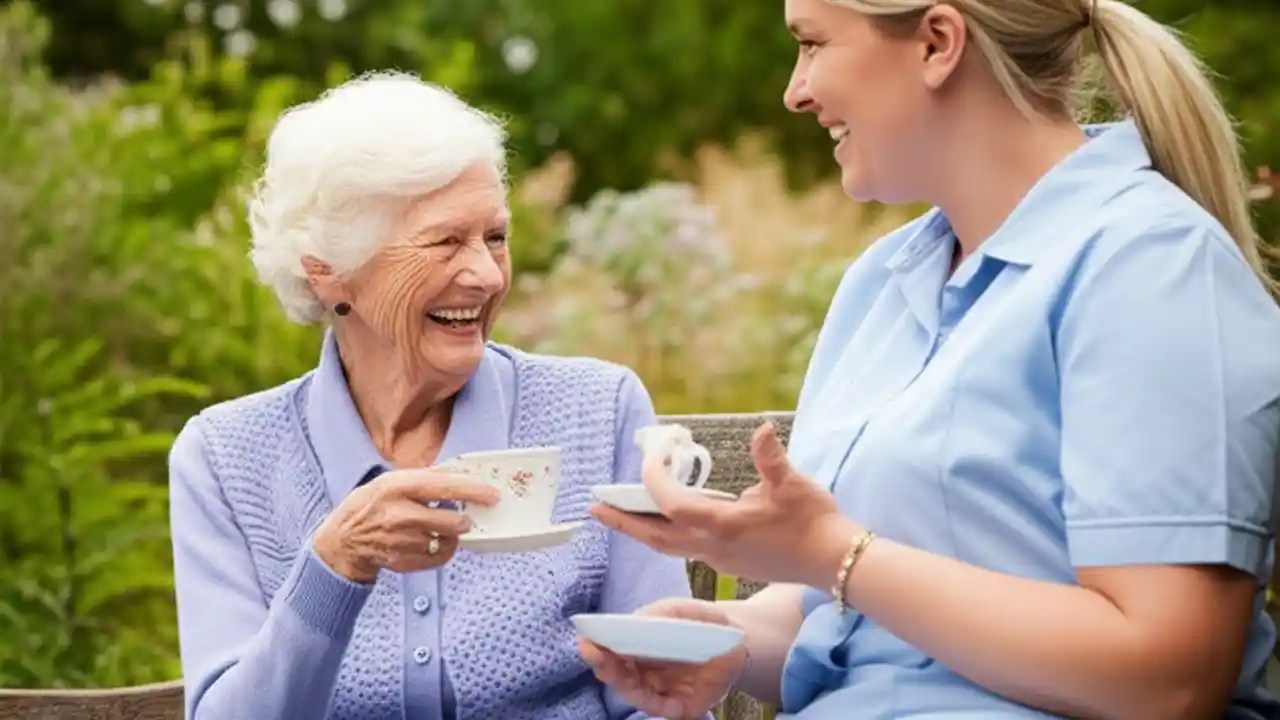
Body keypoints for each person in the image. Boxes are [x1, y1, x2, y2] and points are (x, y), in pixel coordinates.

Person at [580, 0, 1280, 718]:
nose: (795, 91)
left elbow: (1169, 679)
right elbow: (865, 625)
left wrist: (833, 551)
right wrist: (726, 640)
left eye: (812, 44)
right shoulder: (883, 282)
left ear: (938, 43)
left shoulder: (1153, 269)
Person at [167, 71, 694, 720]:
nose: (484, 274)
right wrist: (334, 565)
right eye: (445, 242)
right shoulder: (225, 459)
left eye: (495, 238)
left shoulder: (597, 411)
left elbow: (658, 700)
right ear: (330, 270)